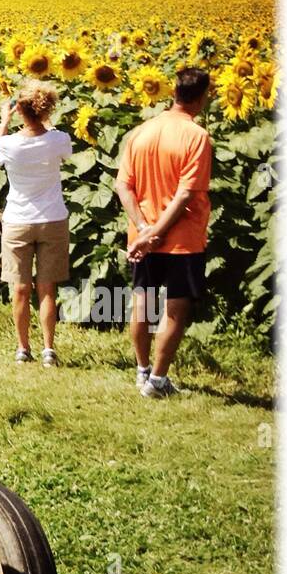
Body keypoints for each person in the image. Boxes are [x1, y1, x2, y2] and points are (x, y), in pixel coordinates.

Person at [115, 67, 213, 399]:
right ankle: (157, 380)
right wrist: (155, 232)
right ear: (202, 97)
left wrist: (144, 230)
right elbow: (185, 194)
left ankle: (142, 370)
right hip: (183, 240)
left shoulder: (142, 131)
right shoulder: (196, 136)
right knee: (176, 308)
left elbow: (122, 185)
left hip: (142, 239)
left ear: (173, 92)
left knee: (142, 303)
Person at [0, 81, 72, 367]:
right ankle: (49, 349)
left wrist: (5, 121)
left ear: (20, 110)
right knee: (47, 288)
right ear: (46, 109)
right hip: (52, 218)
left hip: (18, 221)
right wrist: (45, 121)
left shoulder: (8, 144)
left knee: (20, 288)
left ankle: (23, 348)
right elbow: (62, 150)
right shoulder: (58, 139)